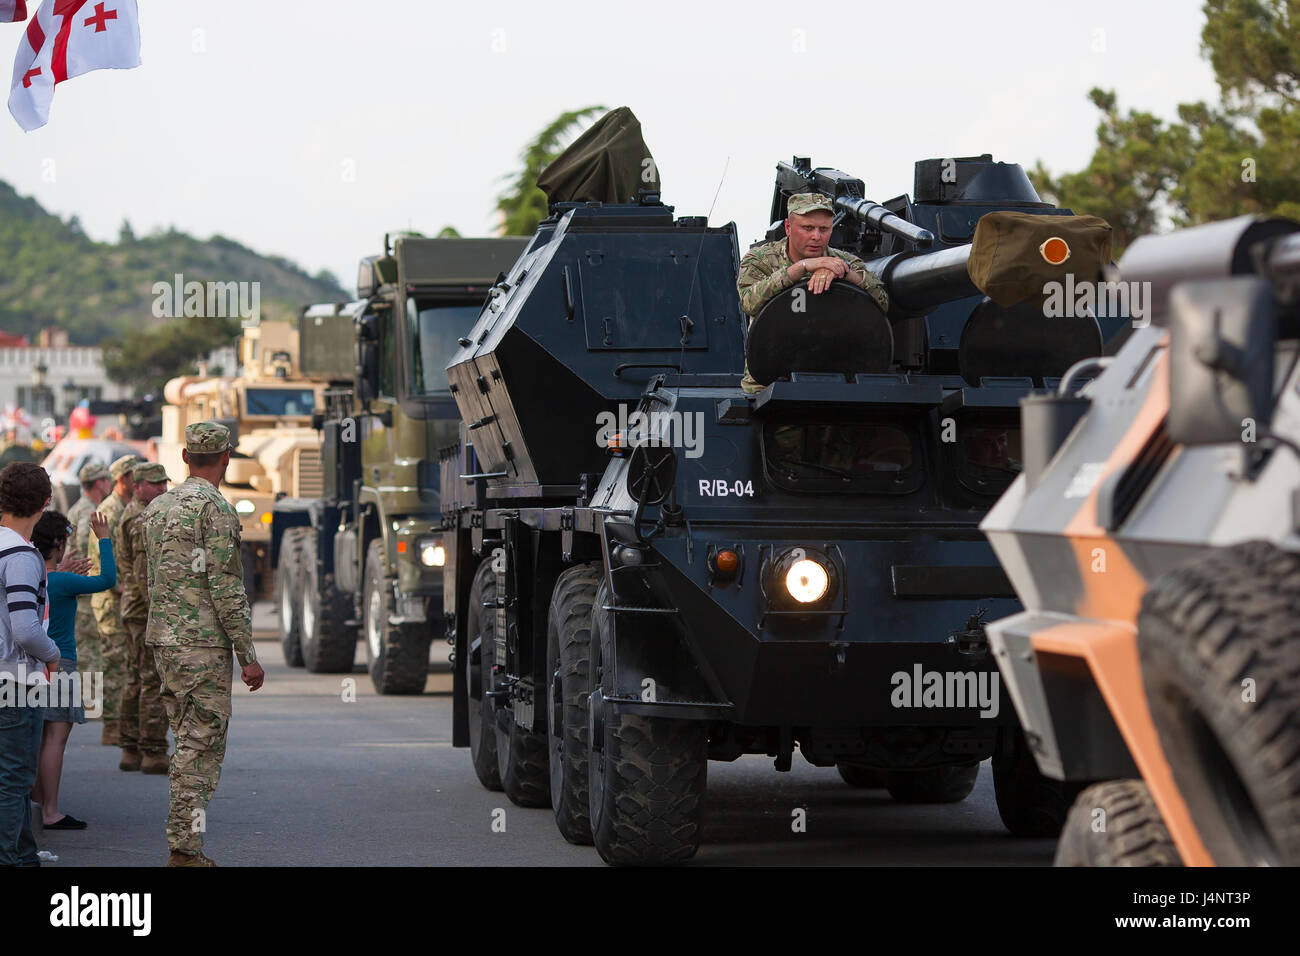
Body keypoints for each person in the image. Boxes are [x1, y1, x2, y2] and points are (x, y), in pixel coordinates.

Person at [143, 423, 264, 867]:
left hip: (165, 642)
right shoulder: (216, 510)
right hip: (202, 647)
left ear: (184, 456)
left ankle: (184, 846)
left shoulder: (156, 508)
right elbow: (226, 587)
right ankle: (185, 850)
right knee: (201, 749)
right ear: (226, 457)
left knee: (186, 741)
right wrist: (247, 655)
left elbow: (152, 579)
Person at [736, 192, 891, 394]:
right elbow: (749, 302)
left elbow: (883, 303)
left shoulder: (846, 261)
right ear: (788, 227)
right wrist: (801, 268)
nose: (816, 236)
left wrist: (843, 273)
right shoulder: (760, 260)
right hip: (768, 383)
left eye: (824, 229)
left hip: (836, 380)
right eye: (808, 228)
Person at [29, 509, 116, 830]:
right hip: (60, 665)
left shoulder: (35, 578)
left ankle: (37, 805)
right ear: (59, 545)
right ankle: (51, 811)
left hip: (30, 665)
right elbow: (108, 580)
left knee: (36, 741)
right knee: (55, 742)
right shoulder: (64, 581)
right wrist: (104, 539)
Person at [0, 462, 59, 867]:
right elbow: (25, 628)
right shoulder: (22, 555)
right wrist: (52, 655)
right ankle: (15, 858)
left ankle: (21, 851)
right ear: (44, 503)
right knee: (15, 779)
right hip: (14, 681)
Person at [115, 461, 170, 774]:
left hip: (134, 609)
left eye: (164, 483)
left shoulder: (135, 513)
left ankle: (131, 748)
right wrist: (160, 612)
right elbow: (143, 573)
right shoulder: (142, 517)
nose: (162, 488)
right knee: (152, 680)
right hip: (144, 610)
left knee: (136, 678)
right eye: (155, 484)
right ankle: (153, 751)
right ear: (137, 487)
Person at [88, 454, 140, 746]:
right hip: (110, 599)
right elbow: (101, 557)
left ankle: (121, 725)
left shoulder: (123, 507)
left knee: (123, 664)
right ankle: (112, 727)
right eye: (136, 477)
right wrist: (124, 587)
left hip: (121, 596)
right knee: (115, 665)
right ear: (123, 479)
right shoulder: (110, 509)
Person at [65, 462, 111, 699]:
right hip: (86, 592)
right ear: (99, 483)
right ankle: (90, 702)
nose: (110, 484)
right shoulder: (88, 512)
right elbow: (85, 547)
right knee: (90, 649)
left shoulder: (79, 508)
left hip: (80, 589)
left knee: (86, 648)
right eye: (107, 479)